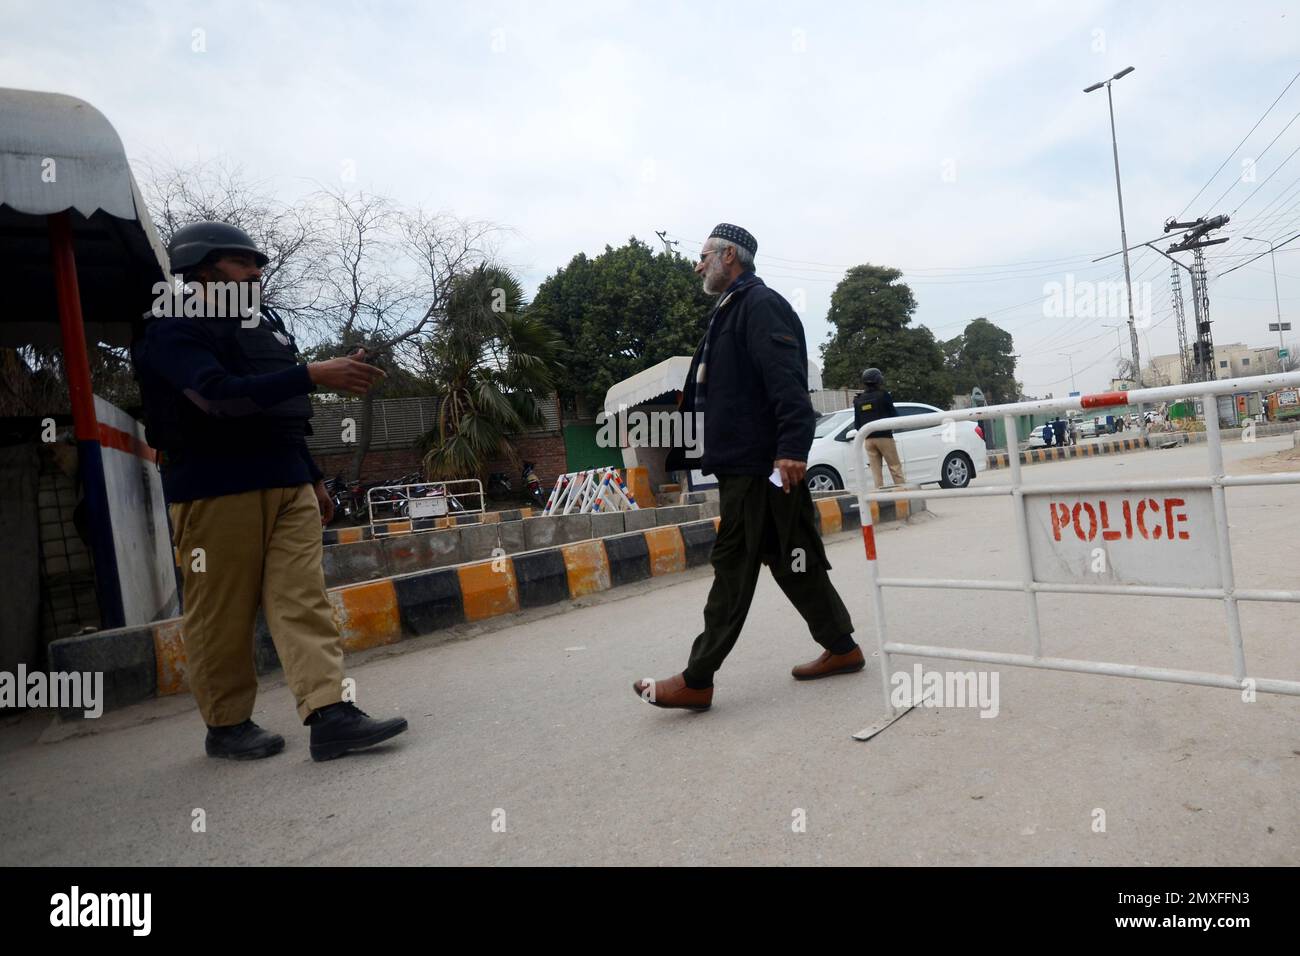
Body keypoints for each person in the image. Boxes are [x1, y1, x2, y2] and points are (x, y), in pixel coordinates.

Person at [132, 221, 409, 762]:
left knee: (303, 600)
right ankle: (228, 724)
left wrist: (312, 476)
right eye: (244, 262)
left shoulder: (267, 326)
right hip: (216, 487)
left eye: (259, 263)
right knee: (221, 613)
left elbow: (285, 412)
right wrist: (311, 374)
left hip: (288, 482)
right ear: (203, 269)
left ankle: (329, 714)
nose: (258, 271)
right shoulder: (173, 325)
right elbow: (217, 398)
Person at [633, 223, 860, 712]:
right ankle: (843, 648)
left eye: (704, 255)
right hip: (752, 463)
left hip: (761, 466)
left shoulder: (760, 304)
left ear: (729, 255)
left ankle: (698, 678)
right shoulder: (731, 309)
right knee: (792, 558)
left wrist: (792, 448)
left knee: (733, 565)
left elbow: (787, 381)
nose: (698, 265)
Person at [852, 368, 905, 487]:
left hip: (868, 440)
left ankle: (880, 501)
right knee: (895, 468)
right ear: (878, 380)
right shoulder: (883, 395)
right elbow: (894, 415)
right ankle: (903, 497)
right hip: (884, 438)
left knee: (876, 473)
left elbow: (857, 424)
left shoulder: (858, 399)